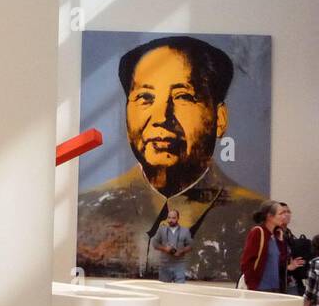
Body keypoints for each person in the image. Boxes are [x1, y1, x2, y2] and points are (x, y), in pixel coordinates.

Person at [77, 36, 267, 281]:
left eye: (183, 97)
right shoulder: (87, 211)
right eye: (145, 98)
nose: (161, 117)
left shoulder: (252, 217)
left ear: (219, 118)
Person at [238, 200, 289, 292]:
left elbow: (281, 261)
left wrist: (281, 241)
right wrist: (252, 285)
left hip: (274, 288)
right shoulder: (258, 232)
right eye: (281, 213)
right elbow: (246, 261)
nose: (284, 216)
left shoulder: (276, 235)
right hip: (260, 288)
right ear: (269, 216)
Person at [275, 202, 310, 295]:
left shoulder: (289, 234)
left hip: (292, 281)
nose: (286, 214)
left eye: (288, 211)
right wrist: (287, 267)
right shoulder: (274, 235)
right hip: (279, 282)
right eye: (282, 212)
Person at [149, 206, 192, 282]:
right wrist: (165, 248)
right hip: (164, 265)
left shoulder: (185, 231)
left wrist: (181, 251)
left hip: (179, 265)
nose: (170, 220)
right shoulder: (161, 230)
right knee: (164, 290)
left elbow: (190, 246)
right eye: (169, 218)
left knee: (180, 289)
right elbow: (154, 243)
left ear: (178, 218)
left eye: (173, 218)